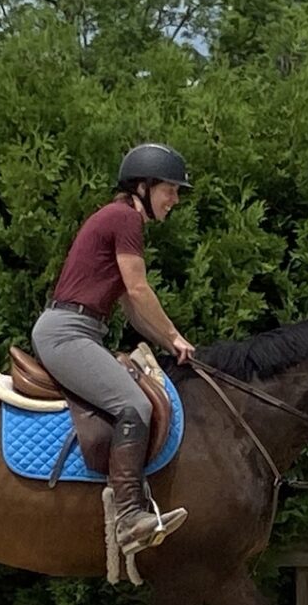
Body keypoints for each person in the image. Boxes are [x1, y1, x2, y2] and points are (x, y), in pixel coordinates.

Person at [31, 142, 196, 556]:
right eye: (170, 189)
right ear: (143, 186)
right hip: (67, 333)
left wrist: (170, 343)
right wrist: (175, 335)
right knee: (134, 406)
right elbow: (139, 290)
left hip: (80, 330)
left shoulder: (116, 219)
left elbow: (133, 309)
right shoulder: (125, 218)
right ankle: (129, 516)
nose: (175, 199)